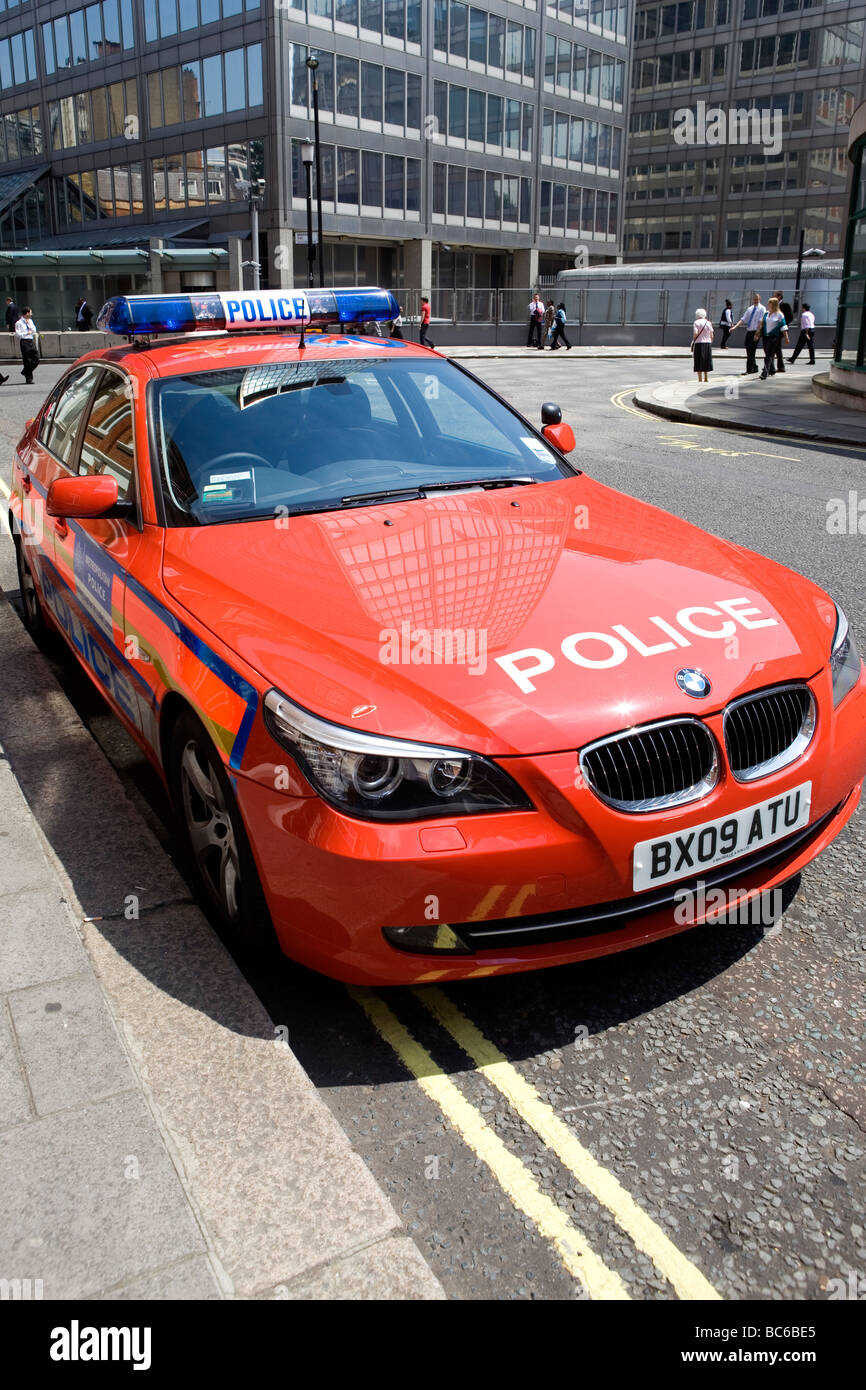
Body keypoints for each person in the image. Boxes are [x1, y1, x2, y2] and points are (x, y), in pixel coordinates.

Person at [732, 291, 765, 375]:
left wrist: (757, 334)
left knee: (751, 350)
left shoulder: (762, 309)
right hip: (749, 331)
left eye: (757, 299)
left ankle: (749, 369)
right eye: (754, 299)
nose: (755, 300)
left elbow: (761, 322)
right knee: (748, 348)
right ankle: (754, 367)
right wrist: (735, 327)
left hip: (756, 331)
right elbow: (743, 319)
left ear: (759, 299)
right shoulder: (750, 308)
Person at [756, 297, 789, 380]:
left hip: (774, 337)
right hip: (765, 337)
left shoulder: (779, 314)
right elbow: (762, 324)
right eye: (768, 303)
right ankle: (772, 369)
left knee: (768, 355)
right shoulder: (766, 314)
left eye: (770, 303)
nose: (768, 305)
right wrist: (757, 333)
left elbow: (783, 326)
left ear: (774, 305)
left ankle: (764, 373)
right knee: (767, 353)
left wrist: (786, 338)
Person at [15, 306, 39, 384]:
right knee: (27, 361)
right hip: (24, 342)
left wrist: (30, 325)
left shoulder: (30, 321)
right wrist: (26, 333)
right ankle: (29, 379)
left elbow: (34, 330)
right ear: (27, 313)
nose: (31, 314)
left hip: (31, 341)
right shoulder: (18, 323)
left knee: (36, 359)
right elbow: (18, 334)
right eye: (31, 312)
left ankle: (25, 371)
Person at [691, 307, 714, 383]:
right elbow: (712, 335)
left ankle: (700, 379)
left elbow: (695, 333)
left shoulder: (696, 322)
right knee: (706, 360)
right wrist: (710, 341)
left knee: (698, 361)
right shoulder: (708, 322)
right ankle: (706, 378)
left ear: (697, 315)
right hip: (707, 343)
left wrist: (694, 340)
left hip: (699, 343)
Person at [772, 292, 792, 373]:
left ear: (779, 297)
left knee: (775, 347)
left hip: (781, 330)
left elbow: (790, 317)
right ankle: (780, 367)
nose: (773, 296)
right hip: (774, 329)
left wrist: (782, 324)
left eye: (775, 295)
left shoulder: (785, 305)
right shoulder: (774, 306)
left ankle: (775, 367)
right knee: (777, 348)